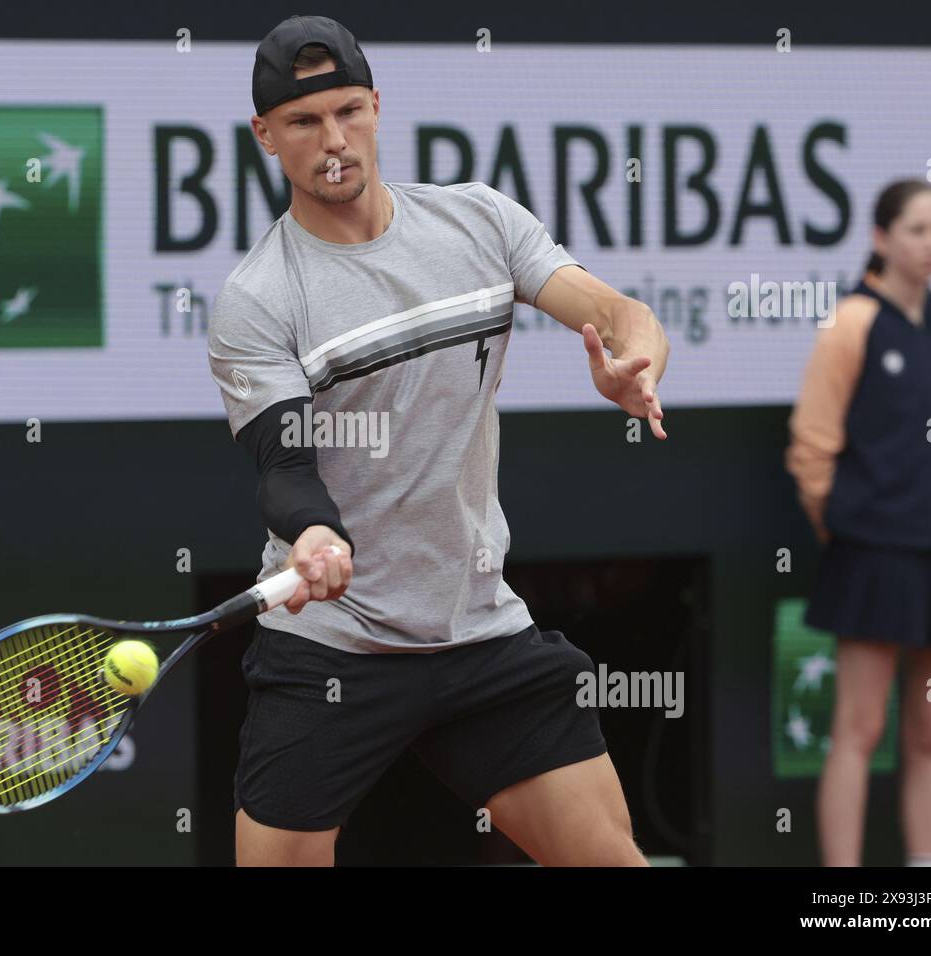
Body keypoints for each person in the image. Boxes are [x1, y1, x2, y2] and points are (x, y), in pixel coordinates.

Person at [208, 16, 670, 866]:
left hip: (480, 635)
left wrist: (632, 352)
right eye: (305, 122)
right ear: (265, 135)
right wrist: (313, 533)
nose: (334, 140)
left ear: (378, 106)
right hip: (333, 647)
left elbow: (616, 313)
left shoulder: (480, 224)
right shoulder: (259, 299)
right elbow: (285, 467)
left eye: (349, 110)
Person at [786, 179, 931, 866]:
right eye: (915, 230)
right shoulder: (851, 324)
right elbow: (811, 448)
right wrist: (850, 527)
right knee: (861, 728)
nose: (930, 244)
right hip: (875, 555)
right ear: (881, 238)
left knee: (930, 731)